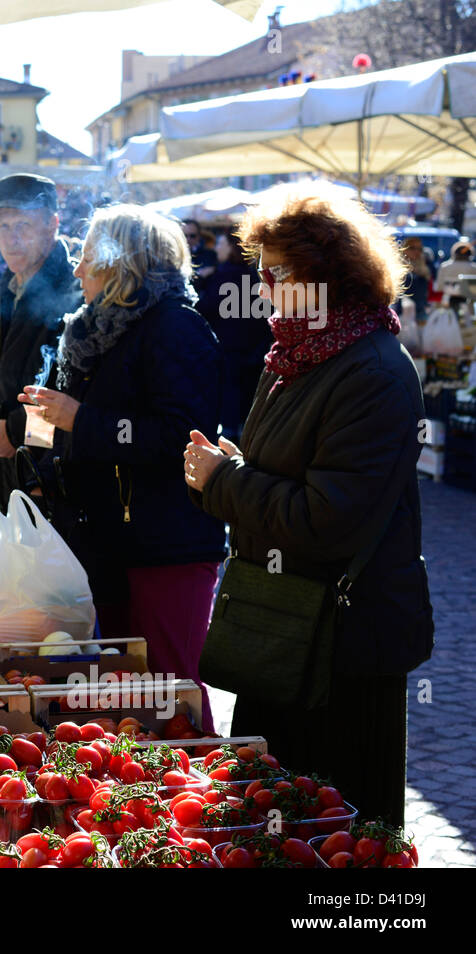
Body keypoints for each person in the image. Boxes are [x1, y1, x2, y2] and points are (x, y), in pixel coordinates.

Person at [184, 183, 433, 827]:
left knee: (340, 828)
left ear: (328, 274)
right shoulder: (294, 353)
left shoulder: (371, 369)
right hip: (284, 626)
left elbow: (327, 520)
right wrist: (237, 466)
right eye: (259, 270)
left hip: (342, 646)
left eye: (277, 272)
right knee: (273, 815)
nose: (262, 286)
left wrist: (224, 480)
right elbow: (291, 474)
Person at [23, 204, 226, 732]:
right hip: (111, 543)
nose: (77, 269)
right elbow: (100, 430)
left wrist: (81, 418)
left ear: (122, 264)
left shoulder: (176, 329)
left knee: (169, 690)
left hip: (166, 546)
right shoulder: (100, 332)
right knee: (125, 693)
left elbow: (182, 436)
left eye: (87, 257)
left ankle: (209, 802)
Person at [0, 174, 82, 507]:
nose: (12, 238)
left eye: (24, 224)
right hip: (13, 477)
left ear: (53, 223)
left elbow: (76, 396)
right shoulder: (10, 285)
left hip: (52, 489)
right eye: (4, 227)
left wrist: (14, 431)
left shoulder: (76, 290)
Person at [201, 231, 271, 442]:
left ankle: (230, 440)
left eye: (220, 243)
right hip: (255, 349)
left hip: (229, 347)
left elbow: (206, 307)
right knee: (248, 396)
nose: (216, 248)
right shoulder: (255, 276)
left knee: (230, 396)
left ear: (232, 247)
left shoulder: (223, 275)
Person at [397, 236, 430, 321]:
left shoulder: (424, 264)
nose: (416, 251)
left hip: (420, 310)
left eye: (420, 249)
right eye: (412, 248)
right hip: (400, 311)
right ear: (404, 248)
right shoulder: (396, 264)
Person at [181, 219, 217, 294]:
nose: (188, 239)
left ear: (199, 236)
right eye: (184, 235)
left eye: (192, 236)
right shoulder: (173, 257)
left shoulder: (209, 255)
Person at [435, 239, 473, 309]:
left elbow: (439, 287)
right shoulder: (473, 267)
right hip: (468, 301)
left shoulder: (444, 266)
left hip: (448, 300)